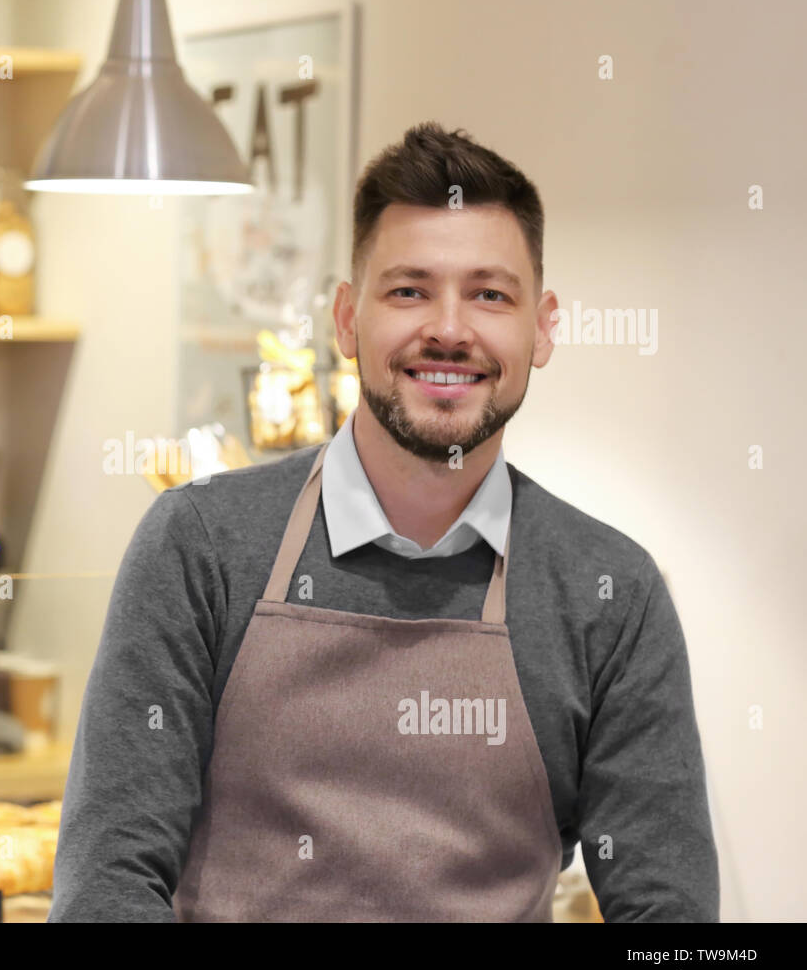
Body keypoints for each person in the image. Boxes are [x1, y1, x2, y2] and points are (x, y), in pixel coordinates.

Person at [49, 122, 719, 922]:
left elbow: (674, 931)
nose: (448, 328)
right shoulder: (200, 546)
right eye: (409, 290)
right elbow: (107, 886)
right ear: (345, 320)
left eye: (489, 294)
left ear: (541, 329)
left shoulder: (611, 595)